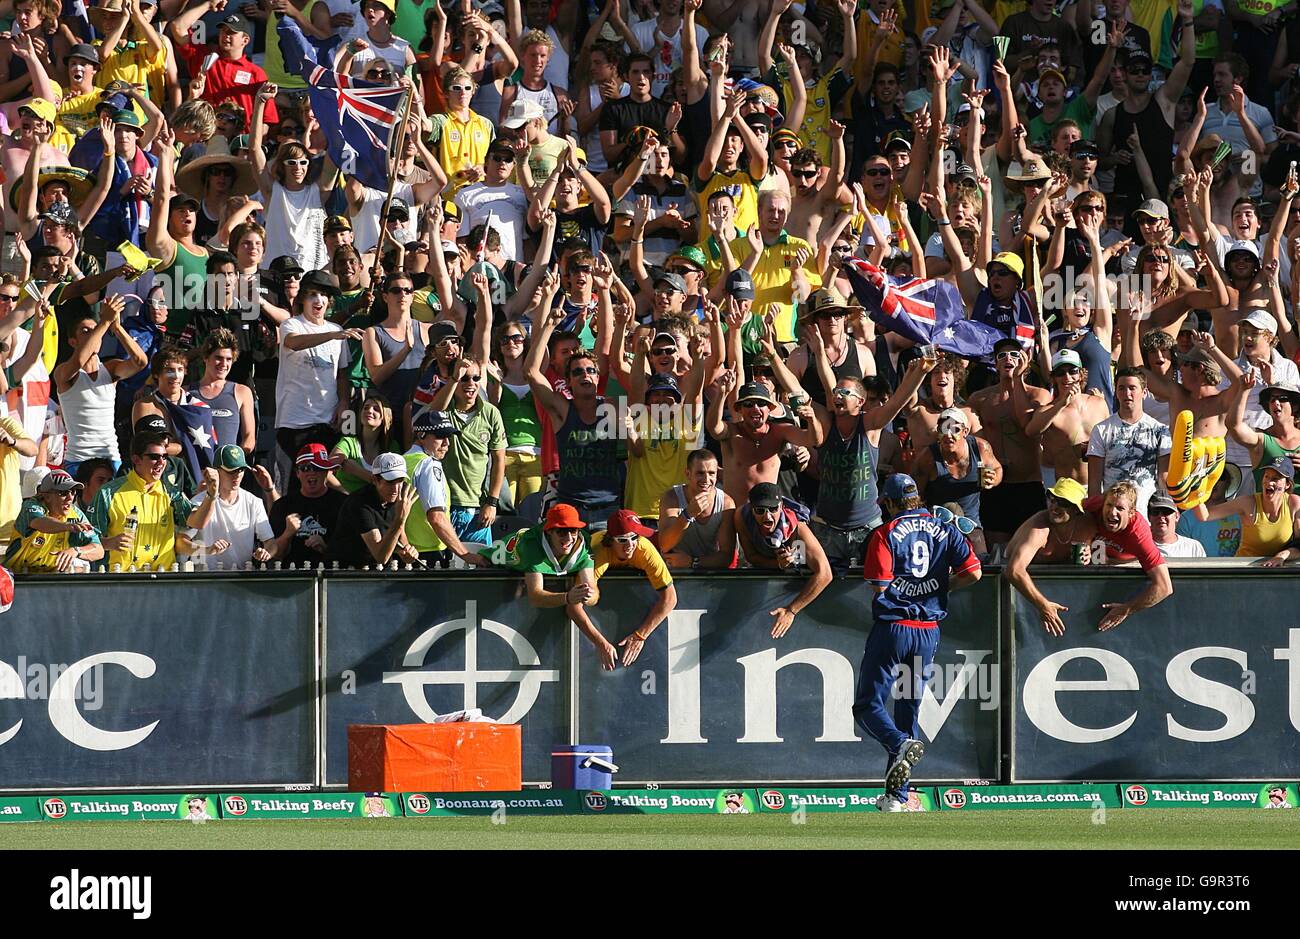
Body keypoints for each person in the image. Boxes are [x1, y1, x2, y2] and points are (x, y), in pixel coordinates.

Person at [853, 472, 982, 813]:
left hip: (894, 627)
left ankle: (899, 744)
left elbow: (879, 586)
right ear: (917, 499)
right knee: (908, 707)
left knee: (867, 706)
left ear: (892, 502)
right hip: (927, 632)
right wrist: (941, 588)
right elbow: (974, 572)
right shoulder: (947, 530)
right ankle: (897, 797)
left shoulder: (885, 533)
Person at [1005, 479, 1173, 635]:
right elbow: (1014, 570)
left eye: (1063, 502)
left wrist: (1127, 609)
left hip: (1064, 596)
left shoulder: (1135, 534)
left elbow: (1165, 587)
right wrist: (1043, 605)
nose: (1055, 507)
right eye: (1052, 499)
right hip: (1021, 593)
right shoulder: (1087, 511)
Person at [480, 503, 615, 668]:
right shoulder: (530, 547)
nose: (568, 538)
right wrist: (568, 597)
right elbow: (536, 596)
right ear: (549, 531)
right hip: (492, 560)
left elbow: (593, 593)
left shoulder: (584, 542)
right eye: (562, 532)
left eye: (573, 531)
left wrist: (587, 596)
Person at [88, 432, 216, 571]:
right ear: (136, 460)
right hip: (122, 578)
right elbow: (88, 539)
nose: (161, 462)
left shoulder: (171, 492)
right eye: (154, 457)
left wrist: (211, 494)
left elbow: (197, 522)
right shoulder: (108, 492)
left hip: (163, 578)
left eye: (165, 456)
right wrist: (109, 543)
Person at [733, 481, 833, 638]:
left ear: (781, 507)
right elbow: (752, 557)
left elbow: (825, 574)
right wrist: (778, 564)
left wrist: (791, 610)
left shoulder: (798, 528)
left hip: (803, 591)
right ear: (752, 510)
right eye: (760, 510)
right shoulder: (741, 517)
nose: (767, 516)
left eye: (773, 509)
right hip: (768, 587)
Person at [589, 509, 678, 667]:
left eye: (634, 537)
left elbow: (670, 599)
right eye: (623, 540)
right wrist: (600, 643)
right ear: (610, 540)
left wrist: (640, 636)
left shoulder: (644, 549)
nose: (630, 545)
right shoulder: (599, 552)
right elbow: (574, 606)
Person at [402, 409, 490, 567]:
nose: (447, 443)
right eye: (440, 437)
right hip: (430, 554)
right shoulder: (429, 464)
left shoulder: (403, 461)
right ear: (421, 436)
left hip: (406, 552)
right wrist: (465, 554)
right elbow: (437, 517)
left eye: (448, 437)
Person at [911, 407, 1002, 557]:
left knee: (981, 565)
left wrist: (994, 479)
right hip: (937, 526)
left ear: (965, 432)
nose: (948, 434)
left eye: (954, 429)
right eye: (943, 428)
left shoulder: (980, 448)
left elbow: (997, 468)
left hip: (970, 525)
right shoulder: (928, 458)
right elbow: (914, 498)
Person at [1086, 368, 1172, 515]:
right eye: (1121, 388)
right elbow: (1094, 481)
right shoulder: (1101, 430)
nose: (1127, 394)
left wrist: (1165, 511)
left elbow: (1163, 479)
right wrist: (1094, 514)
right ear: (1116, 392)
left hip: (1145, 512)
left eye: (1132, 388)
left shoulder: (1160, 430)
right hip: (1112, 513)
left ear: (1144, 392)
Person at [326, 451, 420, 569]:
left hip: (375, 570)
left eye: (400, 481)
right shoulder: (359, 504)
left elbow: (399, 535)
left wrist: (407, 551)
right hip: (345, 572)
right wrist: (400, 519)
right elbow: (381, 556)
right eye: (390, 482)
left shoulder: (399, 495)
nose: (396, 489)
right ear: (375, 480)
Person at [1194, 457, 1300, 561]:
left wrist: (1282, 556)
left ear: (1287, 485)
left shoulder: (1294, 504)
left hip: (1279, 570)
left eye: (1275, 479)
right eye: (1266, 476)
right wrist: (1194, 489)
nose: (1269, 482)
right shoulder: (1248, 503)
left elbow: (1299, 545)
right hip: (1246, 570)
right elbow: (1205, 516)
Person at [190, 445, 279, 568]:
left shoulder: (254, 502)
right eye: (231, 470)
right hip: (206, 579)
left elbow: (270, 542)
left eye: (241, 470)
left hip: (241, 578)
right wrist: (207, 550)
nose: (237, 475)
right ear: (216, 471)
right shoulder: (198, 502)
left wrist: (266, 553)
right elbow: (181, 543)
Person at [4, 470, 104, 573]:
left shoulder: (75, 515)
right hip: (16, 575)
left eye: (73, 492)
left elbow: (99, 549)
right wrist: (67, 526)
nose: (70, 498)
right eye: (63, 493)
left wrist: (77, 551)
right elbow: (40, 523)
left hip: (50, 577)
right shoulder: (31, 506)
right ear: (47, 496)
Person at [268, 444, 348, 568]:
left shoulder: (343, 504)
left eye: (318, 468)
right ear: (297, 473)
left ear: (327, 472)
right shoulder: (283, 505)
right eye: (305, 468)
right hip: (295, 577)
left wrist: (326, 547)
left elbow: (353, 552)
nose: (312, 473)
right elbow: (275, 555)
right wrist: (287, 533)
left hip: (333, 576)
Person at [656, 448, 737, 569]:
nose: (706, 479)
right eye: (700, 473)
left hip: (708, 573)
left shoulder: (726, 504)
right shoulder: (672, 498)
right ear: (688, 474)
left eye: (711, 473)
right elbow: (665, 545)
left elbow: (726, 556)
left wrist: (692, 562)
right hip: (675, 572)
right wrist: (687, 515)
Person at [1147, 492, 1206, 558]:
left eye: (1166, 511)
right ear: (1149, 517)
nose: (1161, 516)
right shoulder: (1138, 547)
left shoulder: (1193, 547)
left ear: (1177, 516)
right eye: (1155, 512)